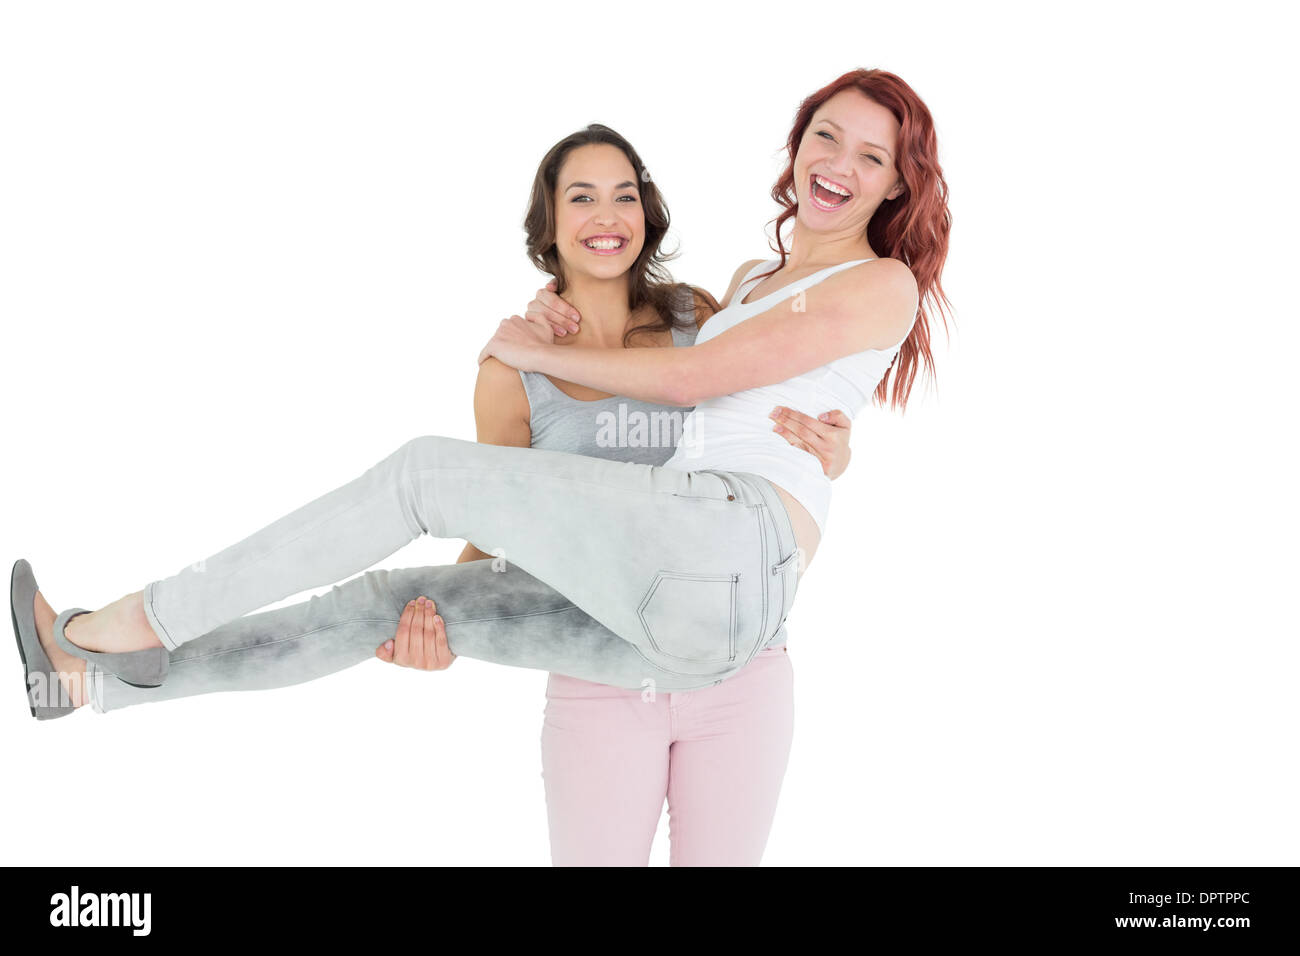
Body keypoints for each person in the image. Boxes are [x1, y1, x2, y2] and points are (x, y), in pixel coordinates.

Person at [14, 68, 951, 740]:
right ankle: (89, 685)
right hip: (673, 619)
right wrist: (442, 610)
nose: (839, 160)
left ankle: (146, 613)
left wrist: (836, 453)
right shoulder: (747, 284)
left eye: (873, 154)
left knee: (424, 470)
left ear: (899, 180)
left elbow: (698, 386)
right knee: (384, 600)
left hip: (735, 566)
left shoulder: (791, 301)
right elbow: (526, 504)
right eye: (826, 134)